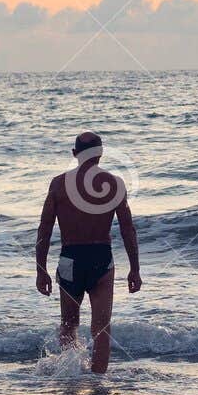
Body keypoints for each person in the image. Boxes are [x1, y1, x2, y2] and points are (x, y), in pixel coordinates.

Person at [35, 131, 141, 373]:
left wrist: (41, 270)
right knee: (101, 328)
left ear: (74, 154)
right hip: (101, 259)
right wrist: (135, 269)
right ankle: (98, 382)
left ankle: (69, 377)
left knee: (69, 325)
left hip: (70, 259)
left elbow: (45, 229)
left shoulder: (58, 183)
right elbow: (128, 229)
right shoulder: (115, 183)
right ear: (101, 154)